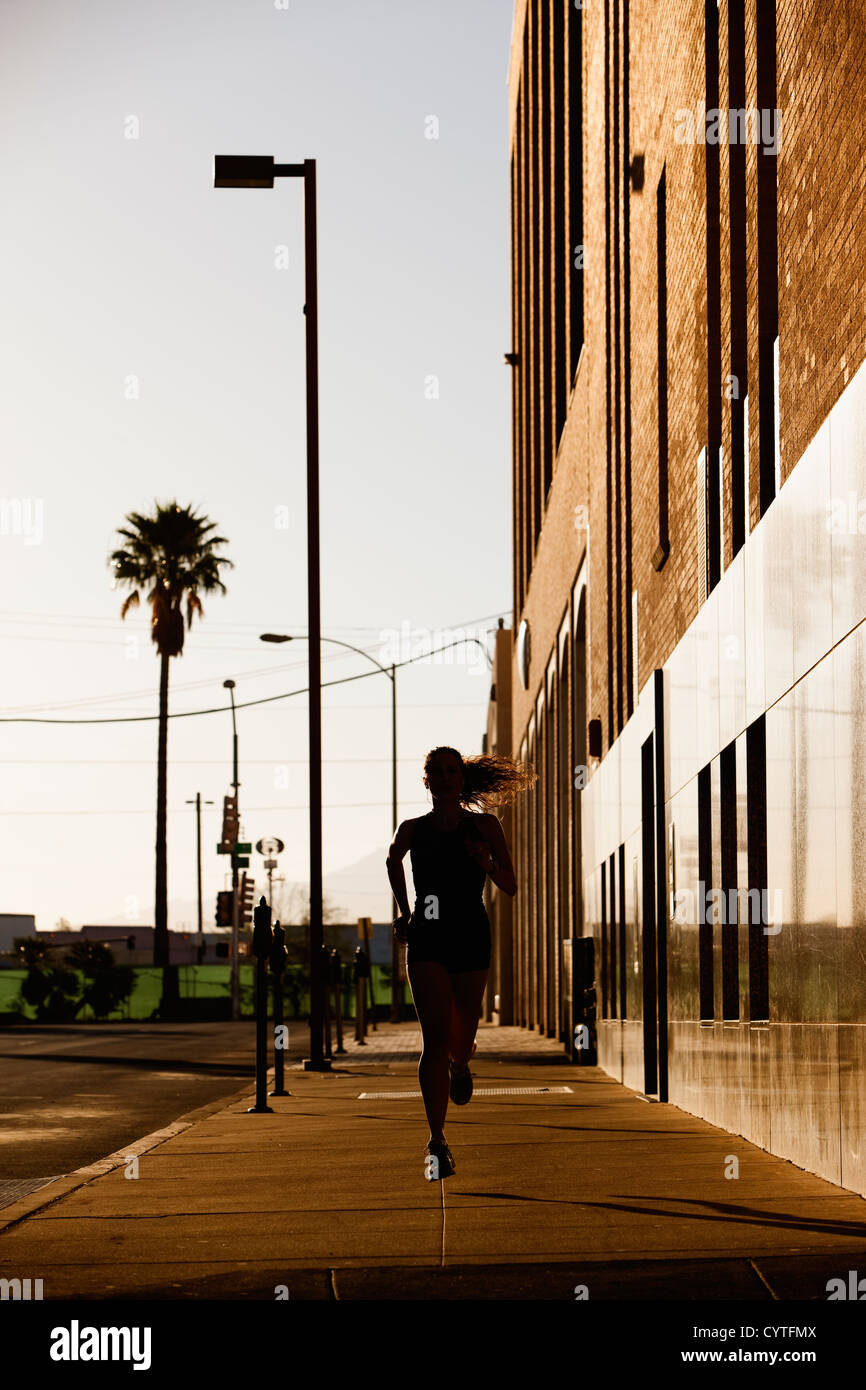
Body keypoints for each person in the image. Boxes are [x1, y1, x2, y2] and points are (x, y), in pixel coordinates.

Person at [385, 746, 535, 1180]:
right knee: (433, 1037)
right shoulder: (413, 829)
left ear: (462, 778)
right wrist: (405, 912)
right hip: (429, 934)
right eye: (436, 771)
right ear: (427, 780)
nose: (446, 777)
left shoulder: (485, 825)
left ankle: (461, 1062)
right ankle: (436, 1141)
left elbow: (510, 885)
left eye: (452, 770)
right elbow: (392, 860)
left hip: (471, 934)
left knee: (460, 1034)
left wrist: (486, 863)